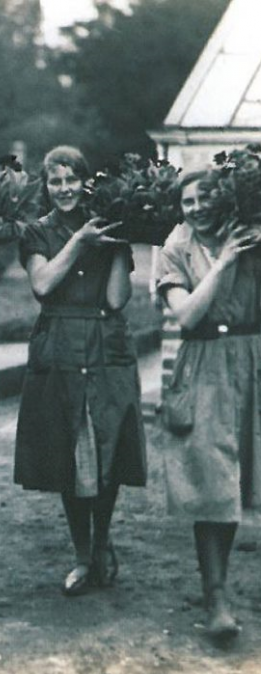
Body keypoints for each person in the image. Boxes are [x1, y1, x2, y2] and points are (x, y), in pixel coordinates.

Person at [14, 145, 147, 597]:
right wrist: (81, 242)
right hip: (60, 349)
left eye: (71, 180)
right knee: (71, 453)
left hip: (105, 344)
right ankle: (81, 553)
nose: (64, 189)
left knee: (107, 449)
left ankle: (101, 541)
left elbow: (115, 300)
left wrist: (115, 246)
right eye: (55, 181)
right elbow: (43, 284)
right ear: (45, 186)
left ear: (85, 182)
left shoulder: (109, 224)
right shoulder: (37, 232)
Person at [157, 170, 261, 642]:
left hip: (251, 358)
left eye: (204, 198)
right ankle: (215, 595)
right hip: (204, 360)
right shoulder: (175, 249)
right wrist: (222, 263)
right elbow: (186, 314)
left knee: (240, 479)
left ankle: (218, 588)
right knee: (211, 479)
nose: (195, 208)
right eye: (187, 201)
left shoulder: (249, 237)